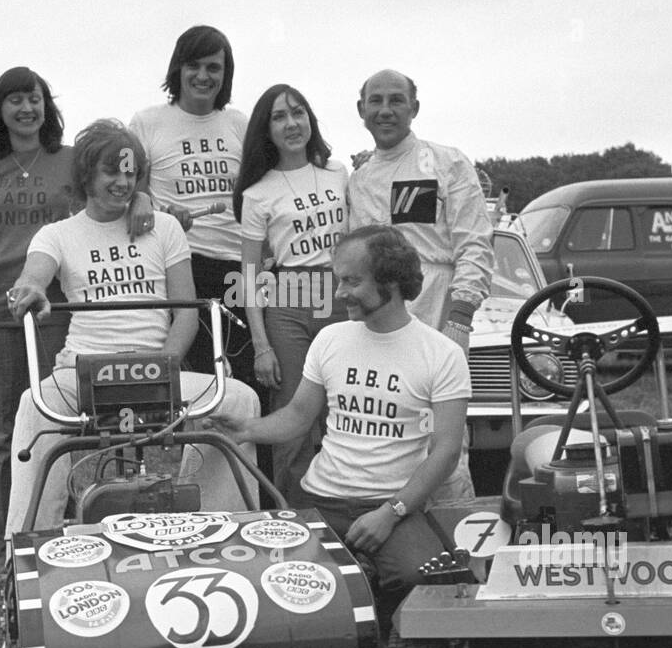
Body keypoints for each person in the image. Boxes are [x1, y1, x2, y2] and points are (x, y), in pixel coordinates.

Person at [6, 119, 261, 537]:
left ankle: (221, 529)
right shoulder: (57, 234)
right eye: (112, 171)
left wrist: (164, 365)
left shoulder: (164, 227)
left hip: (157, 367)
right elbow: (34, 274)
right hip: (83, 370)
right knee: (34, 407)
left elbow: (186, 311)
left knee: (239, 400)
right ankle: (31, 540)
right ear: (86, 174)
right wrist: (29, 289)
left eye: (130, 172)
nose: (123, 182)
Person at [211, 225, 469, 615]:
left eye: (351, 281)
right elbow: (298, 416)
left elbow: (446, 451)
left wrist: (391, 513)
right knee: (278, 587)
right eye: (339, 280)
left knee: (423, 577)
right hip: (320, 499)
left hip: (394, 506)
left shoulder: (443, 354)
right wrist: (245, 428)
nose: (339, 293)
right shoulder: (331, 339)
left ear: (391, 281)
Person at [0, 67, 135, 569]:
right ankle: (3, 534)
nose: (26, 109)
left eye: (33, 98)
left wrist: (140, 200)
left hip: (59, 306)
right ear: (0, 108)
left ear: (45, 104)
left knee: (68, 419)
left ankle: (72, 519)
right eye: (14, 100)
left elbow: (115, 186)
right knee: (5, 429)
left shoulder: (71, 159)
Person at [348, 69, 495, 505]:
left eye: (396, 100)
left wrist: (461, 318)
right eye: (375, 101)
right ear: (361, 111)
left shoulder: (447, 162)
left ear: (415, 107)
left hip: (438, 313)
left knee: (444, 438)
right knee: (388, 433)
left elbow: (475, 243)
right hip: (379, 322)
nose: (386, 110)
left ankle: (457, 551)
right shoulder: (358, 179)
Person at [233, 83, 349, 496]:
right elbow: (249, 274)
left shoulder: (339, 172)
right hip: (288, 298)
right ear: (267, 130)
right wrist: (261, 345)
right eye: (279, 117)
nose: (291, 123)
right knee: (293, 421)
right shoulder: (257, 192)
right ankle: (296, 517)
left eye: (298, 112)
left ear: (310, 120)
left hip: (343, 294)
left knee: (346, 407)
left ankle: (348, 506)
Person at [130, 26, 255, 386]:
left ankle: (247, 443)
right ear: (178, 69)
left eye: (214, 68)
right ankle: (198, 443)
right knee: (201, 376)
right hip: (183, 264)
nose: (203, 76)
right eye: (194, 66)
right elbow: (125, 182)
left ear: (225, 73)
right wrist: (149, 205)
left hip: (237, 264)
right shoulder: (146, 122)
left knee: (248, 374)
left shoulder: (238, 124)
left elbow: (263, 189)